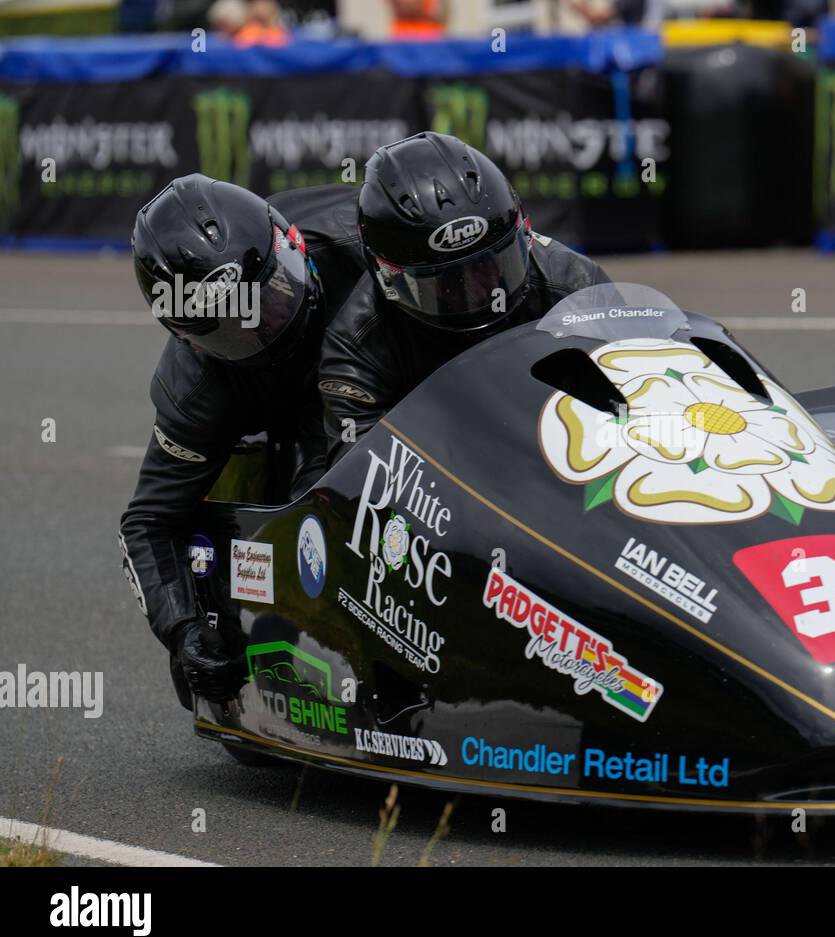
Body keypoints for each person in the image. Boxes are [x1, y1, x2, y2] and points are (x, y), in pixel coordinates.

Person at [120, 175, 365, 705]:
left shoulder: (362, 230)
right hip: (298, 432)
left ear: (289, 243)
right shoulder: (195, 389)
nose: (270, 330)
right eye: (232, 331)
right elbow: (147, 522)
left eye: (275, 294)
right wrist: (183, 630)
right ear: (189, 338)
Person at [318, 131, 610, 462]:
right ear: (389, 278)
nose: (478, 293)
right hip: (446, 486)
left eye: (492, 266)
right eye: (448, 284)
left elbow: (636, 399)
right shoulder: (357, 342)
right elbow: (356, 472)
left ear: (523, 236)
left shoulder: (577, 285)